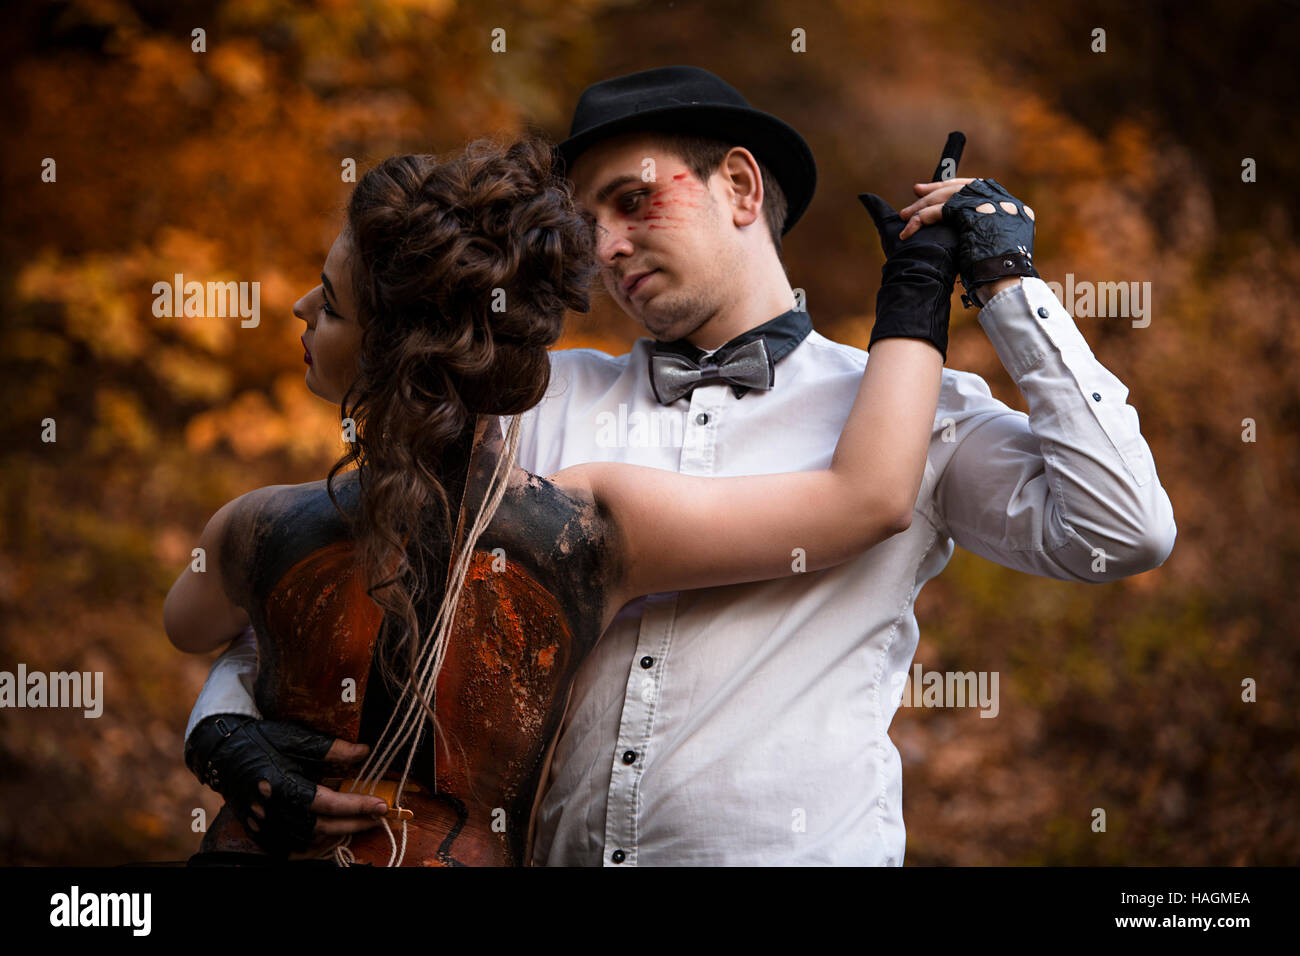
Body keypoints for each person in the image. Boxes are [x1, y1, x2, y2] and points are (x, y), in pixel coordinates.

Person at [183, 66, 1177, 866]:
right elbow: (340, 577)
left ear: (739, 186)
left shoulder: (910, 405)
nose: (605, 250)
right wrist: (227, 726)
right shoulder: (529, 399)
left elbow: (1121, 530)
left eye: (632, 201)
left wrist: (1006, 287)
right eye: (588, 224)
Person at [164, 134, 946, 866]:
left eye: (331, 305)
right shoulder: (589, 524)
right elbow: (868, 499)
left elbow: (197, 625)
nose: (301, 309)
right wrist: (916, 294)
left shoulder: (252, 524)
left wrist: (220, 727)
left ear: (386, 354)